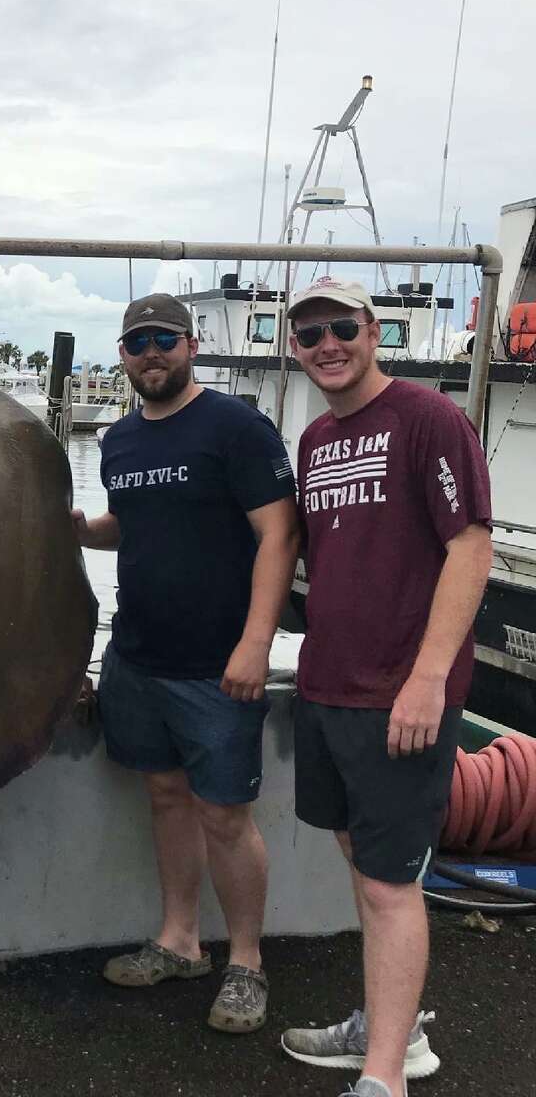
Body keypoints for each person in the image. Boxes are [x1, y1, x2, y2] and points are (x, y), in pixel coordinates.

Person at [278, 278, 493, 1097]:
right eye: (309, 335)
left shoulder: (428, 418)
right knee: (359, 862)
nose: (326, 345)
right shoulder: (314, 441)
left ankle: (385, 1077)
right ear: (294, 349)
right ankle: (388, 1029)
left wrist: (429, 678)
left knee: (390, 883)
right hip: (328, 688)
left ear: (374, 332)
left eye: (341, 327)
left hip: (401, 697)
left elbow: (470, 545)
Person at [73, 293, 299, 1033]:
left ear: (191, 346)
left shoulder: (235, 426)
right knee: (166, 795)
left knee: (225, 815)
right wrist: (81, 529)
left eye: (164, 339)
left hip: (217, 664)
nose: (152, 353)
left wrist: (256, 642)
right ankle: (180, 942)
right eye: (138, 342)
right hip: (137, 657)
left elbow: (279, 534)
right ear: (122, 354)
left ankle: (246, 964)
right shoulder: (119, 439)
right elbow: (128, 523)